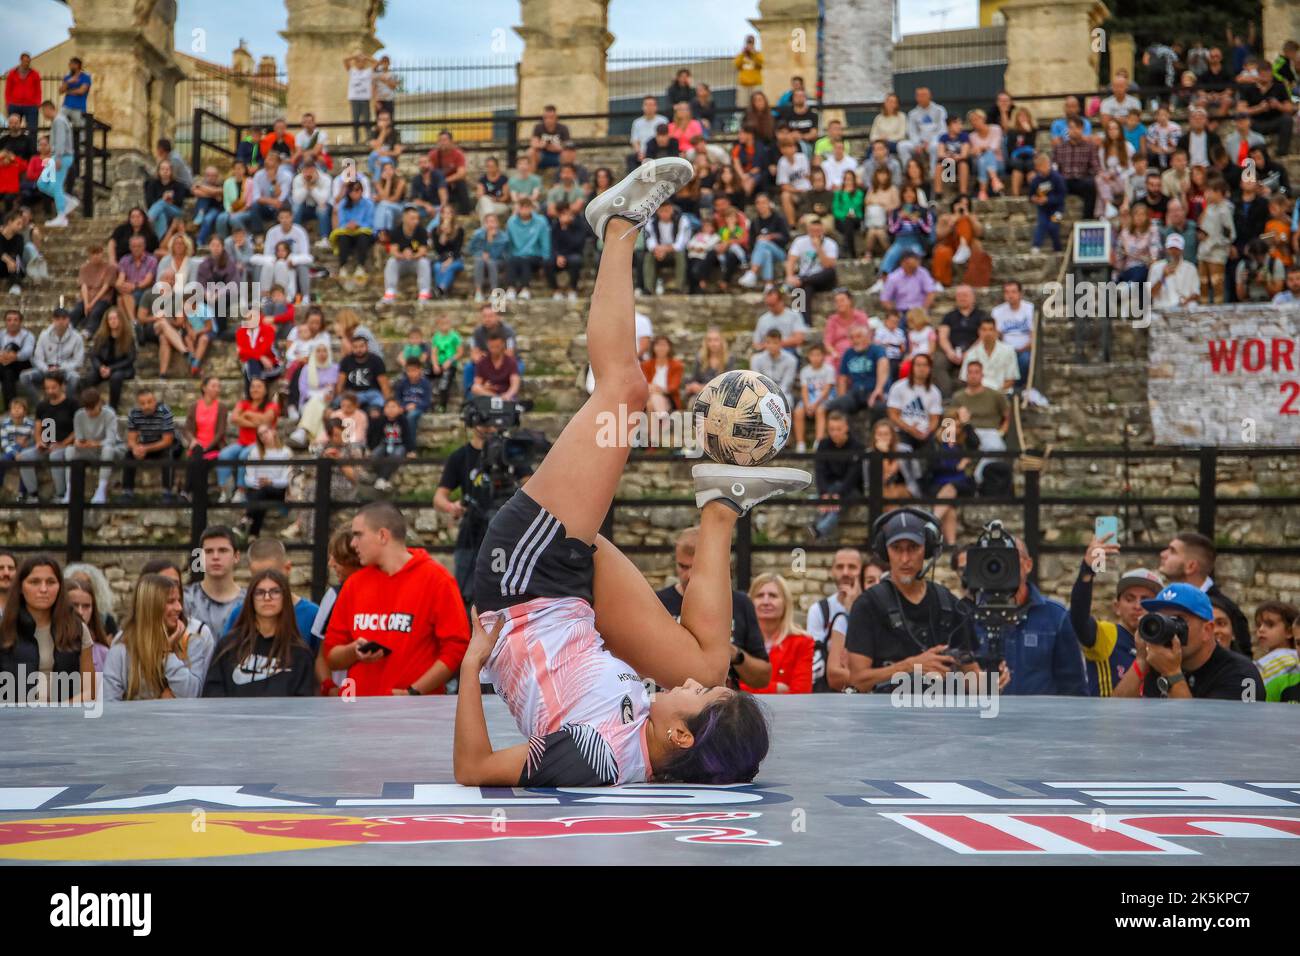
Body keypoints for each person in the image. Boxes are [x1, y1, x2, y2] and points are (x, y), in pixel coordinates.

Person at [453, 157, 811, 787]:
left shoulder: (595, 759)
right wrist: (707, 690)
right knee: (707, 658)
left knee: (623, 392)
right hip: (568, 602)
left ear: (680, 733)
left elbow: (473, 769)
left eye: (701, 702)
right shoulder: (657, 738)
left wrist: (470, 667)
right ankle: (721, 502)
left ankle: (615, 222)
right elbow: (701, 682)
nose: (699, 689)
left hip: (523, 581)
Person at [323, 501, 468, 696]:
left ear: (383, 535)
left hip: (416, 718)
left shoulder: (437, 580)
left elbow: (456, 650)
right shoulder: (354, 584)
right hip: (357, 716)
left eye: (358, 535)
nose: (352, 543)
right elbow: (331, 656)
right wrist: (353, 651)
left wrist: (413, 693)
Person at [843, 509, 985, 693]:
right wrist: (911, 666)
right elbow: (857, 681)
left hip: (940, 717)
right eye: (896, 549)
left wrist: (989, 683)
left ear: (927, 549)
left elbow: (971, 675)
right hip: (883, 718)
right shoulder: (867, 605)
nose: (905, 559)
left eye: (913, 548)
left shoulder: (948, 603)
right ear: (884, 551)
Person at [655, 526, 770, 692]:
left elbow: (763, 677)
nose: (688, 575)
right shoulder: (659, 602)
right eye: (682, 566)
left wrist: (733, 654)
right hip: (671, 707)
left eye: (694, 567)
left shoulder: (740, 603)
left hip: (722, 710)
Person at [1113, 583, 1263, 701]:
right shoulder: (1158, 665)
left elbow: (1200, 735)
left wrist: (1173, 674)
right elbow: (1116, 717)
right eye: (1161, 619)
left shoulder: (1242, 674)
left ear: (1207, 630)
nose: (1168, 630)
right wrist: (1141, 661)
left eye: (1177, 621)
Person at [205, 567, 315, 697]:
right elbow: (213, 694)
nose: (267, 598)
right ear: (251, 599)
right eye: (260, 592)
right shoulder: (229, 646)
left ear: (285, 597)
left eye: (275, 592)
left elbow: (303, 704)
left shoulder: (300, 652)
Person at [102, 573, 213, 701]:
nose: (179, 608)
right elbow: (109, 704)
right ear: (151, 607)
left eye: (179, 600)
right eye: (171, 601)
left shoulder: (192, 641)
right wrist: (156, 704)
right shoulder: (122, 650)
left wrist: (167, 654)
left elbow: (191, 695)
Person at [0, 554, 95, 702]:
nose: (43, 589)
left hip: (65, 718)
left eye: (51, 582)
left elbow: (90, 690)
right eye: (34, 582)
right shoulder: (4, 630)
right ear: (20, 587)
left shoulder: (77, 629)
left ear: (60, 586)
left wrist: (58, 711)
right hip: (13, 720)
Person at [1157, 532, 1252, 658]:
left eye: (1172, 551)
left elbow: (1243, 660)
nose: (1163, 554)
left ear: (1191, 566)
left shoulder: (1227, 610)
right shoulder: (1162, 602)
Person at [805, 548, 863, 692]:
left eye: (852, 567)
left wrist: (853, 610)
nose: (845, 573)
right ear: (832, 571)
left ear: (861, 571)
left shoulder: (872, 607)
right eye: (839, 567)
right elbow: (815, 657)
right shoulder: (819, 610)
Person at [744, 573, 813, 694]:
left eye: (773, 596)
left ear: (785, 602)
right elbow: (733, 689)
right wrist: (776, 688)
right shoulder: (738, 641)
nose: (765, 601)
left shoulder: (803, 642)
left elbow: (801, 693)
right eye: (759, 595)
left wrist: (753, 689)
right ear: (750, 602)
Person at [17, 371, 76, 503]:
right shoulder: (42, 406)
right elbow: (38, 428)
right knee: (24, 456)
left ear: (62, 386)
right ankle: (33, 494)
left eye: (53, 387)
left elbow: (77, 429)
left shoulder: (72, 404)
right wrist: (39, 442)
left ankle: (60, 494)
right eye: (47, 388)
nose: (50, 391)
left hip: (65, 446)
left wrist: (63, 444)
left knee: (55, 456)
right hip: (46, 445)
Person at [810, 409, 864, 540]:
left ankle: (818, 531)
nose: (835, 433)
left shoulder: (857, 447)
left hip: (851, 490)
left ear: (846, 428)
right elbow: (820, 471)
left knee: (836, 502)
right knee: (822, 501)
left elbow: (853, 477)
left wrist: (837, 494)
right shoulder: (823, 445)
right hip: (828, 489)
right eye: (831, 429)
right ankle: (820, 532)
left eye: (838, 429)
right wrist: (825, 494)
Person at [69, 386, 123, 505]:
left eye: (92, 408)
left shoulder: (109, 414)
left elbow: (111, 440)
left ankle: (101, 490)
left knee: (107, 449)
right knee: (70, 451)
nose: (89, 412)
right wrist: (79, 443)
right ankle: (70, 490)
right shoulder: (79, 415)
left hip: (112, 450)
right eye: (86, 409)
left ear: (99, 403)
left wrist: (96, 443)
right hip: (90, 450)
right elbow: (79, 437)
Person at [827, 323, 889, 420]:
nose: (855, 340)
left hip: (873, 391)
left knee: (880, 408)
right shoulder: (848, 353)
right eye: (852, 338)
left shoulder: (877, 350)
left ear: (867, 337)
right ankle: (847, 434)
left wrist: (878, 389)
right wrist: (842, 397)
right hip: (855, 393)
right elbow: (843, 378)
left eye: (859, 336)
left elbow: (883, 364)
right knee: (836, 406)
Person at [21, 306, 83, 398]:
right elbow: (38, 358)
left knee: (75, 378)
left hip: (64, 370)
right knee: (24, 376)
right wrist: (46, 368)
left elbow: (78, 361)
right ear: (53, 320)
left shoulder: (77, 337)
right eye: (57, 319)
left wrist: (61, 368)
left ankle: (66, 403)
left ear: (68, 320)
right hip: (46, 369)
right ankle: (39, 403)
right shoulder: (44, 335)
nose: (60, 322)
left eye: (64, 319)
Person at [1252, 601, 1300, 702]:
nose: (1261, 629)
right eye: (1258, 625)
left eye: (1270, 625)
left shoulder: (1284, 659)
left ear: (1289, 631)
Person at [793, 341, 835, 453]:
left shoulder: (829, 369)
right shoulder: (805, 371)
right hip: (809, 399)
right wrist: (807, 405)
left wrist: (815, 404)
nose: (816, 358)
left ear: (823, 356)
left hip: (824, 398)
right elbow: (804, 389)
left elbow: (827, 390)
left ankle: (819, 442)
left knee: (820, 411)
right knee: (798, 412)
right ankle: (800, 443)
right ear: (809, 356)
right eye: (813, 355)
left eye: (818, 355)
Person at [733, 35, 764, 104]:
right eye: (748, 42)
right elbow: (736, 65)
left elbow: (761, 64)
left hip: (756, 84)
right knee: (742, 104)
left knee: (757, 103)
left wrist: (754, 53)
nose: (750, 44)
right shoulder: (741, 55)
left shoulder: (757, 54)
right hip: (743, 85)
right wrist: (743, 54)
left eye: (751, 42)